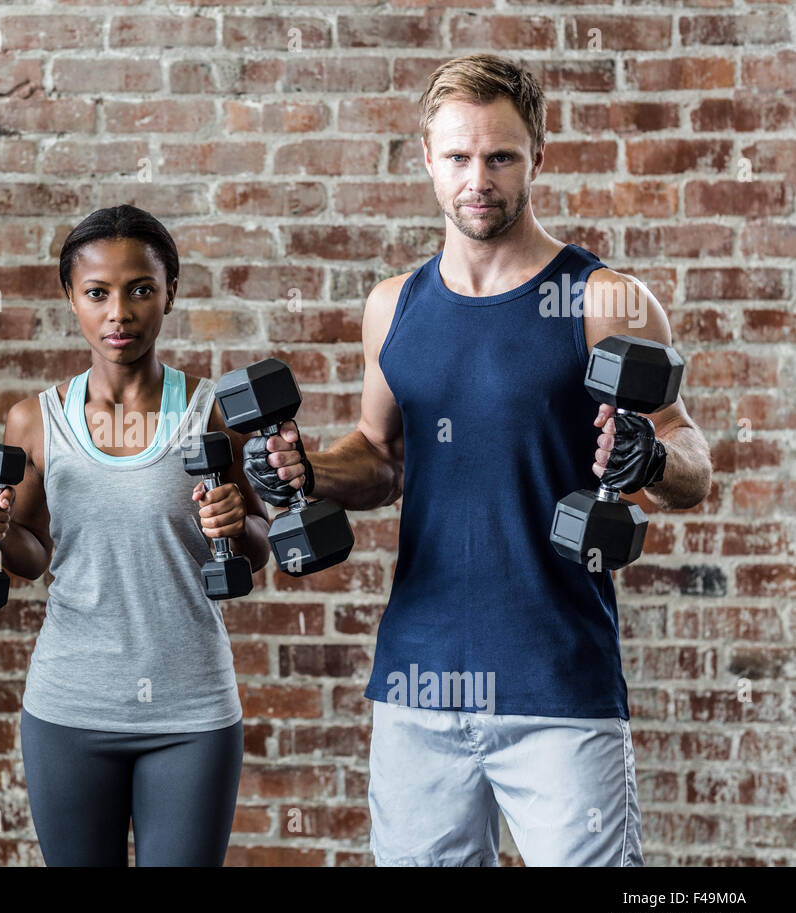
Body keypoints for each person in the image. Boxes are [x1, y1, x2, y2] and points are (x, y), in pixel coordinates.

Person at [246, 54, 712, 866]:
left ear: (539, 153)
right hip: (417, 687)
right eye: (458, 157)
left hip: (556, 683)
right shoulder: (394, 306)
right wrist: (307, 471)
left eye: (500, 156)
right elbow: (380, 458)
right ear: (426, 158)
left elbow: (693, 463)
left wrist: (648, 459)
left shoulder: (602, 299)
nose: (479, 179)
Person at [0, 205, 272, 866]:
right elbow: (33, 555)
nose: (119, 313)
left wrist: (233, 523)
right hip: (70, 707)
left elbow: (257, 549)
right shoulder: (34, 420)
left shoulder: (211, 412)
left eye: (141, 290)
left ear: (170, 293)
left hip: (191, 712)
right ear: (71, 299)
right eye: (97, 293)